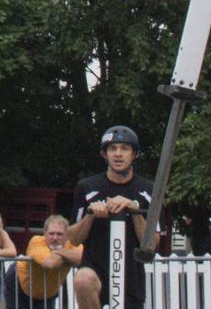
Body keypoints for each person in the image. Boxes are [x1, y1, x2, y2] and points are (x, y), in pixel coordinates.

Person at [68, 125, 157, 309]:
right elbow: (74, 238)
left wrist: (134, 211)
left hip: (130, 276)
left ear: (134, 154)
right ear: (105, 154)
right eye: (112, 148)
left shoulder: (148, 190)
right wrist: (90, 215)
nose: (118, 154)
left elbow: (151, 244)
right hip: (96, 269)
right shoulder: (87, 187)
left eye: (124, 148)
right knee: (83, 280)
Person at [5, 215, 81, 309]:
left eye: (60, 234)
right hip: (19, 284)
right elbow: (50, 263)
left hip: (47, 292)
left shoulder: (74, 242)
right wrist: (66, 254)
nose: (55, 238)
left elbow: (80, 258)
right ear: (45, 233)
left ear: (67, 235)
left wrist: (58, 252)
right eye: (51, 234)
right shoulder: (36, 241)